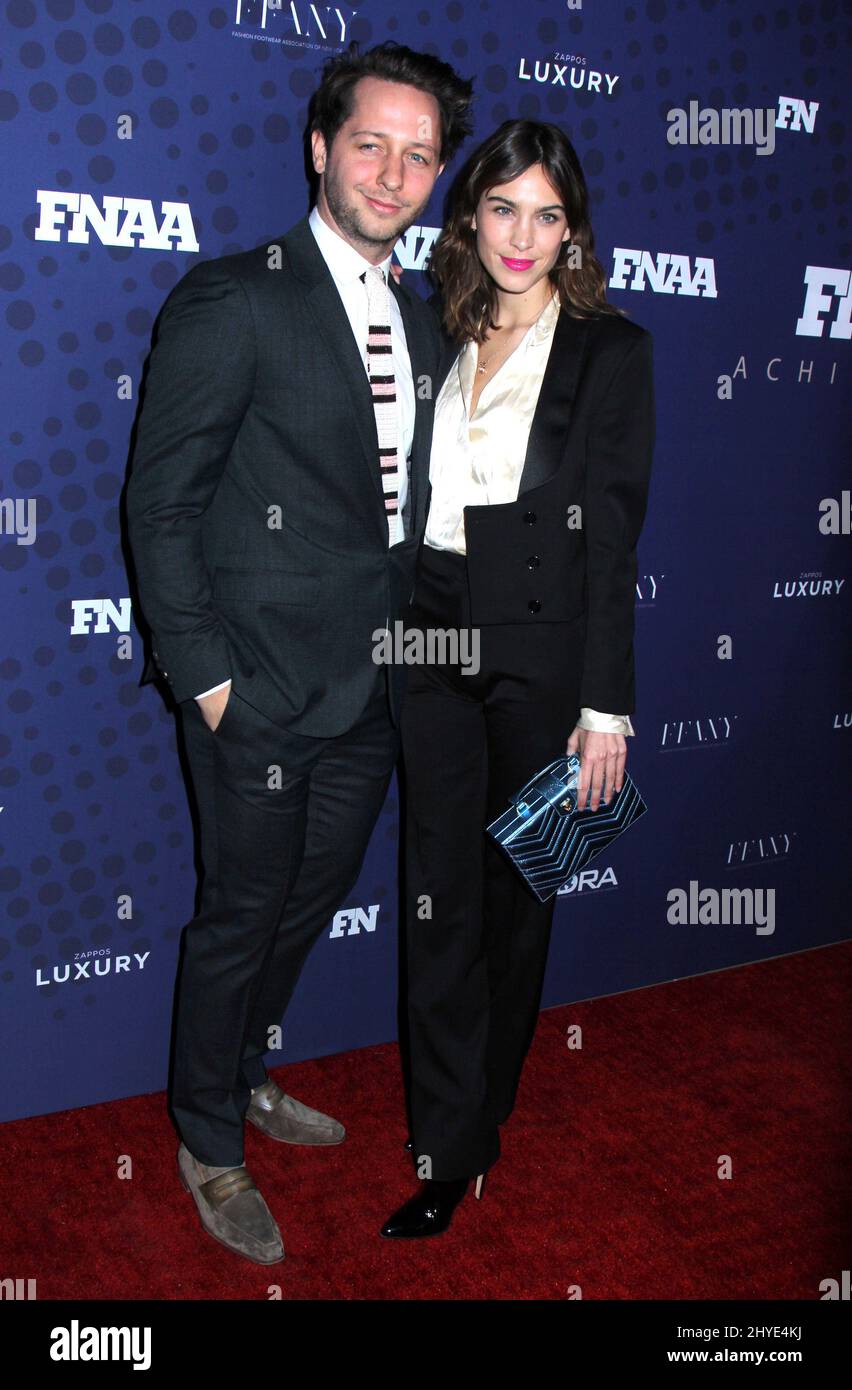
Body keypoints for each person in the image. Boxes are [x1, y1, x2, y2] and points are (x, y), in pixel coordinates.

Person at [126, 40, 473, 1266]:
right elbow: (160, 510)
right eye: (369, 143)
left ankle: (251, 1065)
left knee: (306, 906)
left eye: (419, 153)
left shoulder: (427, 322)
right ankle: (208, 1139)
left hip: (370, 691)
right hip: (256, 691)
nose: (392, 172)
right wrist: (210, 682)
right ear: (319, 147)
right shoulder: (240, 297)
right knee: (238, 916)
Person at [380, 119, 656, 1238]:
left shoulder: (612, 350)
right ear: (471, 214)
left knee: (517, 895)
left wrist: (607, 705)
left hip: (541, 640)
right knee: (437, 890)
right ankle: (447, 1148)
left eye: (548, 214)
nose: (522, 235)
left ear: (572, 230)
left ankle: (484, 1112)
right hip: (430, 627)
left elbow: (613, 541)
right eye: (503, 208)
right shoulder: (430, 326)